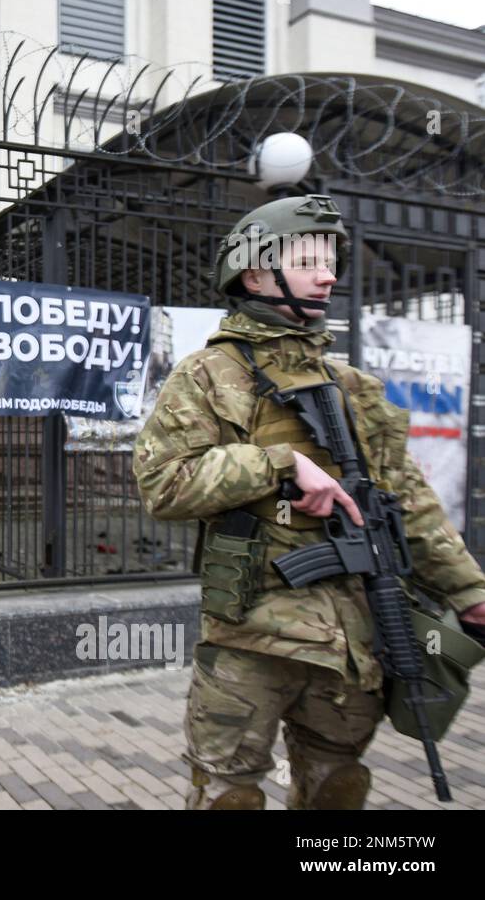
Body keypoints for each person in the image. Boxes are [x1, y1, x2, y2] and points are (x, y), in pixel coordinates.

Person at [132, 193, 485, 809]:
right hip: (252, 636)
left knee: (336, 791)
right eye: (308, 259)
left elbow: (411, 503)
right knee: (228, 795)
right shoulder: (209, 375)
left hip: (355, 634)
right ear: (255, 272)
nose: (328, 273)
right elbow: (165, 483)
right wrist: (280, 464)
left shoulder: (354, 389)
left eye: (330, 261)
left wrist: (468, 592)